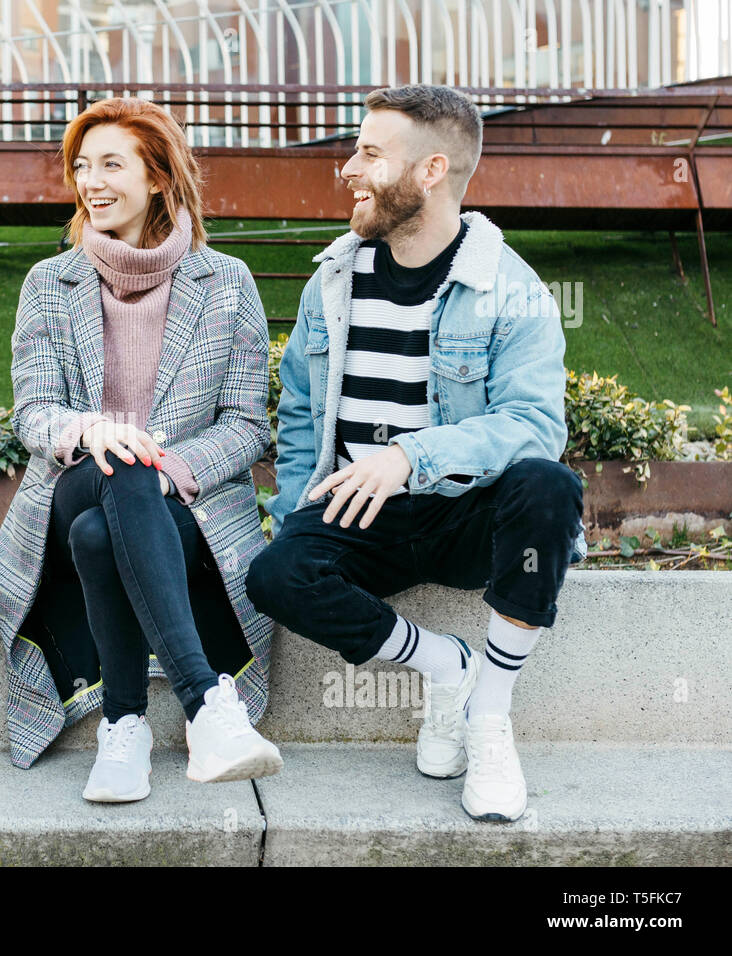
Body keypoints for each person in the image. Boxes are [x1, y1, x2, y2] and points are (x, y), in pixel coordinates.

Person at [246, 85, 588, 823]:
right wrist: (299, 503)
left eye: (369, 154)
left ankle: (489, 715)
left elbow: (533, 423)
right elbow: (302, 410)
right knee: (276, 572)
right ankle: (447, 667)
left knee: (548, 485)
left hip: (464, 518)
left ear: (431, 171)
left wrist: (412, 456)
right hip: (363, 517)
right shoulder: (334, 279)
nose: (347, 169)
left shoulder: (510, 287)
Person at [0, 97, 282, 802]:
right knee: (109, 479)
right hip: (71, 486)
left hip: (185, 505)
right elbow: (33, 412)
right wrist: (91, 431)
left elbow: (246, 427)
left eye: (111, 164)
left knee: (106, 527)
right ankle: (208, 707)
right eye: (81, 167)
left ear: (157, 176)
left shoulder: (227, 283)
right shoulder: (49, 284)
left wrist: (165, 468)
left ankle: (124, 728)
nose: (91, 181)